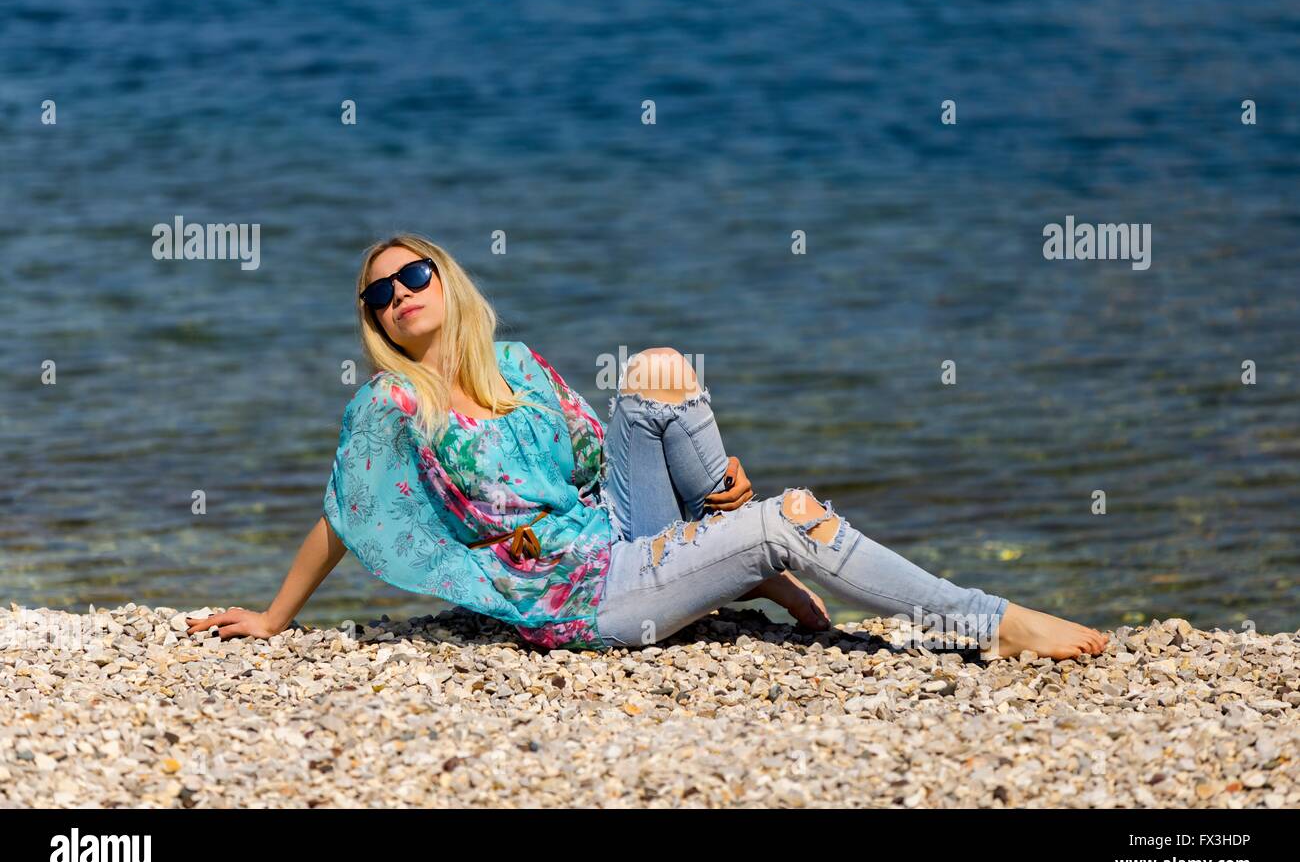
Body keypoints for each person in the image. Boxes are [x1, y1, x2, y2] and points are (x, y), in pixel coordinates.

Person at [187, 234, 1109, 660]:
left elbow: (601, 458)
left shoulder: (514, 365)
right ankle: (988, 621)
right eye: (380, 294)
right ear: (375, 320)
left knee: (661, 372)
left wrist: (710, 496)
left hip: (620, 535)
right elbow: (346, 512)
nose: (400, 296)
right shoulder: (396, 403)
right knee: (791, 520)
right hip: (584, 595)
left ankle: (729, 543)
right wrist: (275, 618)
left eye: (414, 275)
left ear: (447, 279)